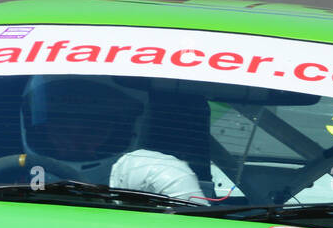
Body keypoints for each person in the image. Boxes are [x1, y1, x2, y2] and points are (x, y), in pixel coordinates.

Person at [20, 75, 212, 203]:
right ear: (39, 129)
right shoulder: (3, 174)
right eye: (61, 127)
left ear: (123, 129)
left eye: (92, 128)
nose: (74, 139)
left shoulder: (151, 171)